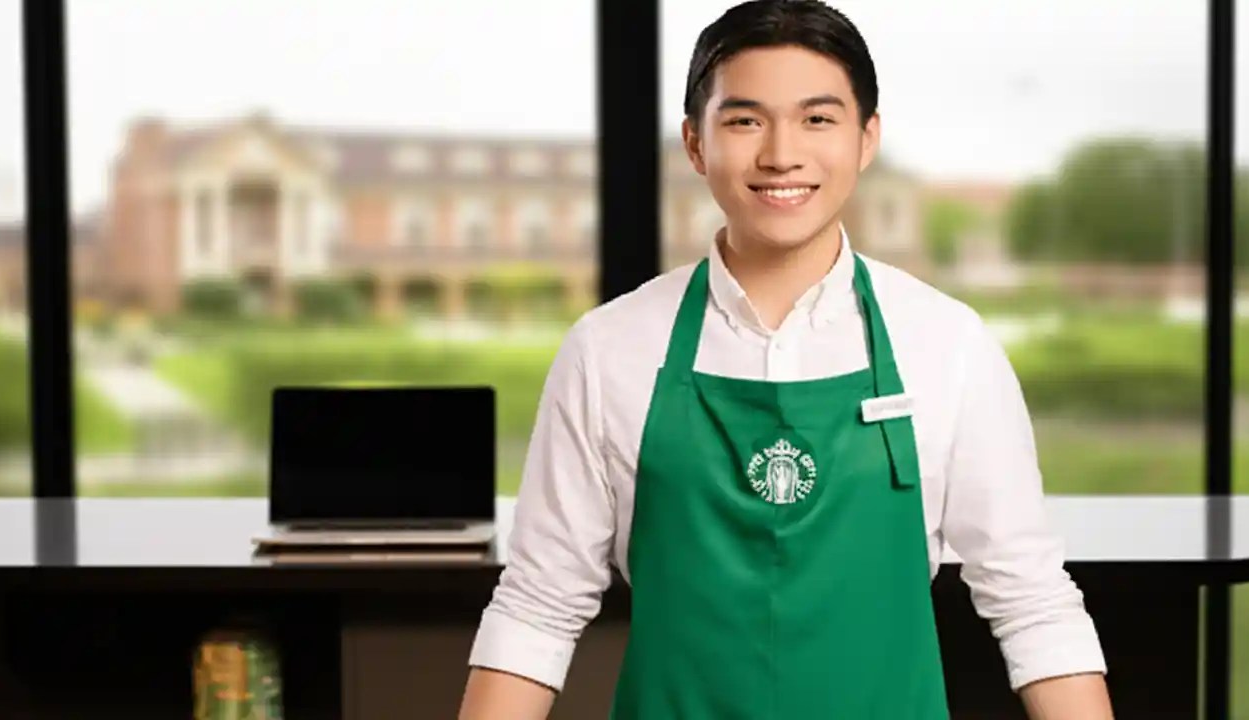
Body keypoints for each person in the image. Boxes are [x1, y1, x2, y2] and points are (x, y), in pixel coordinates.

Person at [458, 1, 1113, 718]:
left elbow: (1032, 602)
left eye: (817, 119)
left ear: (867, 140)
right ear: (696, 144)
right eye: (745, 120)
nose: (780, 154)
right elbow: (539, 604)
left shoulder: (947, 344)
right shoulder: (608, 348)